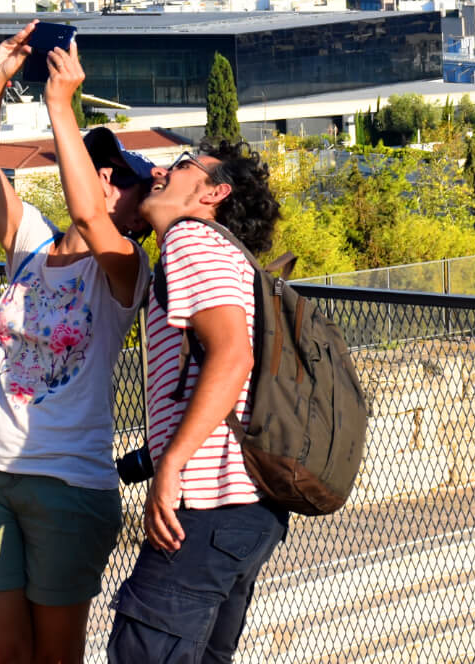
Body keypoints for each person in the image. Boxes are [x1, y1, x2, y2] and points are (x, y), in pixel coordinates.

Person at [0, 25, 158, 664]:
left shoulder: (126, 269)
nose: (103, 174)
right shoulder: (31, 243)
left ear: (137, 213)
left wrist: (61, 105)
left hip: (67, 480)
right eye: (98, 164)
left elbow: (92, 217)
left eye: (119, 177)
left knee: (55, 657)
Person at [107, 140, 285, 664]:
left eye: (184, 165)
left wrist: (171, 466)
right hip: (246, 510)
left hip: (207, 506)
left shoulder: (191, 239)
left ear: (214, 194)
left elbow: (232, 357)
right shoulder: (224, 254)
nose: (161, 170)